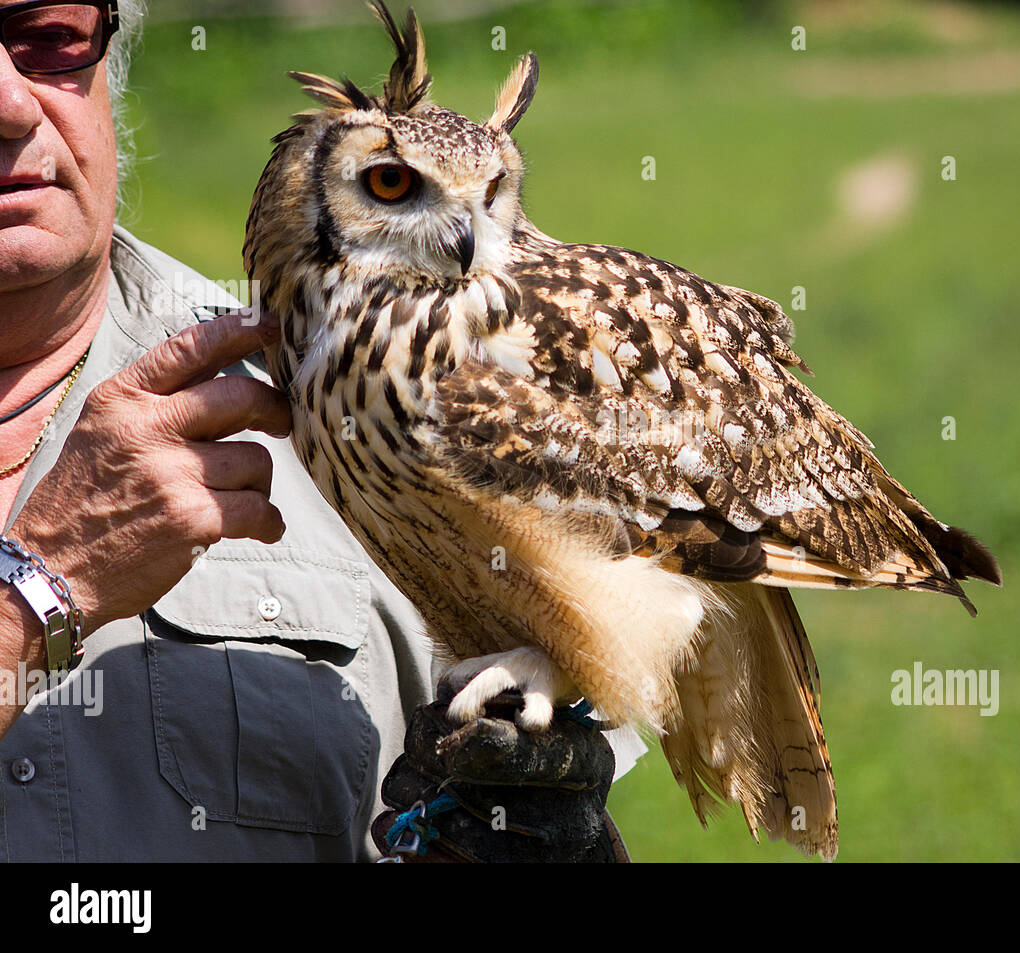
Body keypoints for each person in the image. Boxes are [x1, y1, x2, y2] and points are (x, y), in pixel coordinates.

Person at [0, 0, 622, 862]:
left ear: (108, 48)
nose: (8, 102)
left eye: (47, 34)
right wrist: (35, 595)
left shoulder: (361, 404)